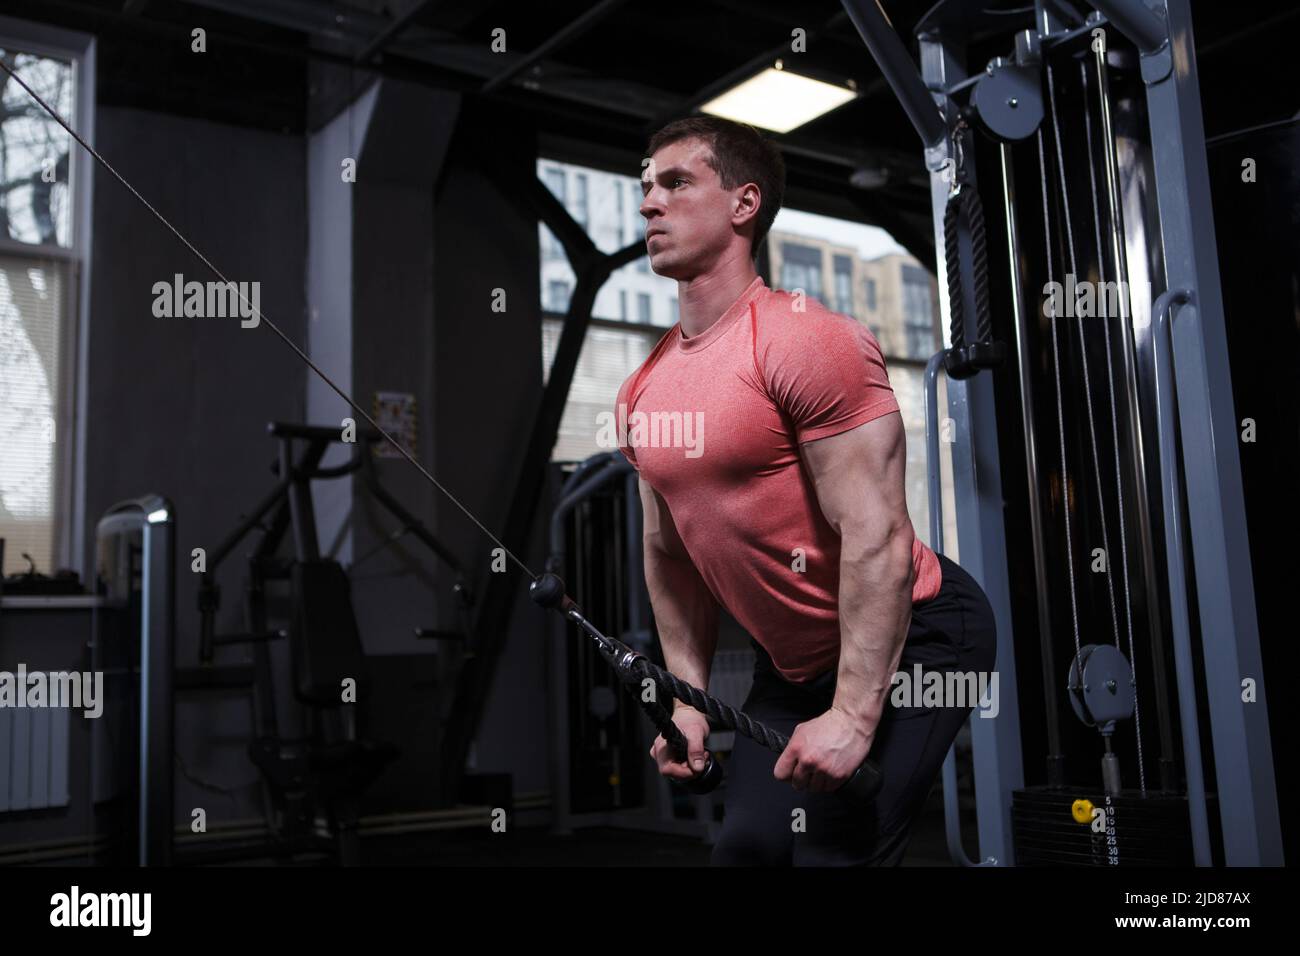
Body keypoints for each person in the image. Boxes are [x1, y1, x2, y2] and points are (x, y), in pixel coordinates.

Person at [615, 115, 998, 866]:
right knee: (748, 853)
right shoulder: (642, 389)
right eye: (644, 187)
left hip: (921, 634)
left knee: (831, 852)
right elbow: (667, 554)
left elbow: (878, 537)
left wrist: (854, 719)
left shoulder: (804, 339)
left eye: (675, 182)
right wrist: (687, 701)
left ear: (743, 204)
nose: (649, 203)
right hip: (790, 669)